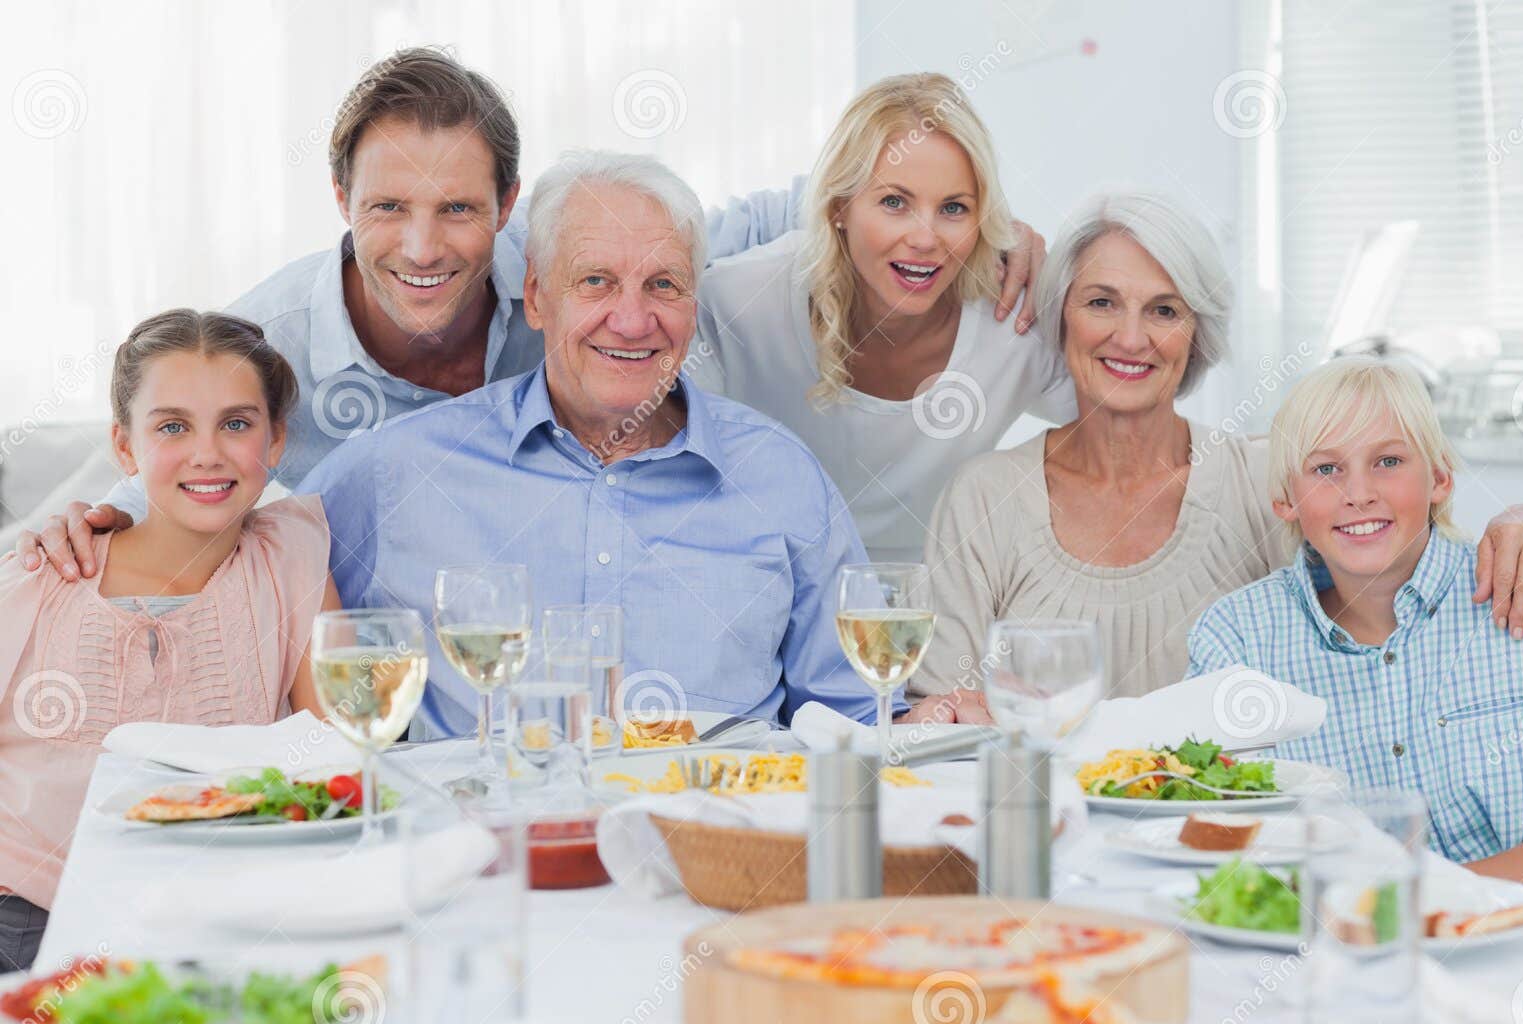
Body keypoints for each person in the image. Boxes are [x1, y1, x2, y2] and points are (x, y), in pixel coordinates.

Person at [26, 50, 1028, 577]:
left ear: (506, 209)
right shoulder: (272, 336)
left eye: (457, 209)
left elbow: (769, 211)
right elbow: (168, 454)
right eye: (388, 210)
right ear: (340, 203)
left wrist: (973, 228)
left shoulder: (573, 268)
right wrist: (93, 515)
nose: (423, 249)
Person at [912, 190, 1523, 712]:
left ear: (1197, 335)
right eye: (1101, 302)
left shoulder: (1266, 479)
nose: (1132, 336)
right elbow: (940, 719)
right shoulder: (985, 497)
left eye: (1165, 310)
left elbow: (1408, 568)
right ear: (1062, 318)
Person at [299, 151, 883, 737]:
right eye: (595, 282)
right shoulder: (401, 471)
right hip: (485, 824)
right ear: (536, 297)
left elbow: (858, 724)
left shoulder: (779, 476)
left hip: (716, 823)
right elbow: (250, 580)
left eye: (663, 284)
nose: (631, 320)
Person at [1188, 357, 1523, 935]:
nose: (1358, 493)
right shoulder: (1235, 639)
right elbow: (1228, 835)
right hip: (1342, 948)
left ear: (1439, 479)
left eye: (1388, 461)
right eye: (1326, 468)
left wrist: (1436, 902)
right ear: (1286, 500)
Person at [0, 310, 339, 970]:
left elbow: (333, 755)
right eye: (173, 426)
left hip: (218, 914)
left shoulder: (293, 553)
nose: (207, 451)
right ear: (125, 448)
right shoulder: (42, 573)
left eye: (237, 423)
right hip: (34, 917)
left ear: (274, 443)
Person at [691, 73, 1067, 561]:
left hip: (931, 617)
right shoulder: (739, 300)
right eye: (895, 202)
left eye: (954, 207)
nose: (925, 238)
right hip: (770, 605)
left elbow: (1123, 424)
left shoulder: (1014, 323)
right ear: (839, 206)